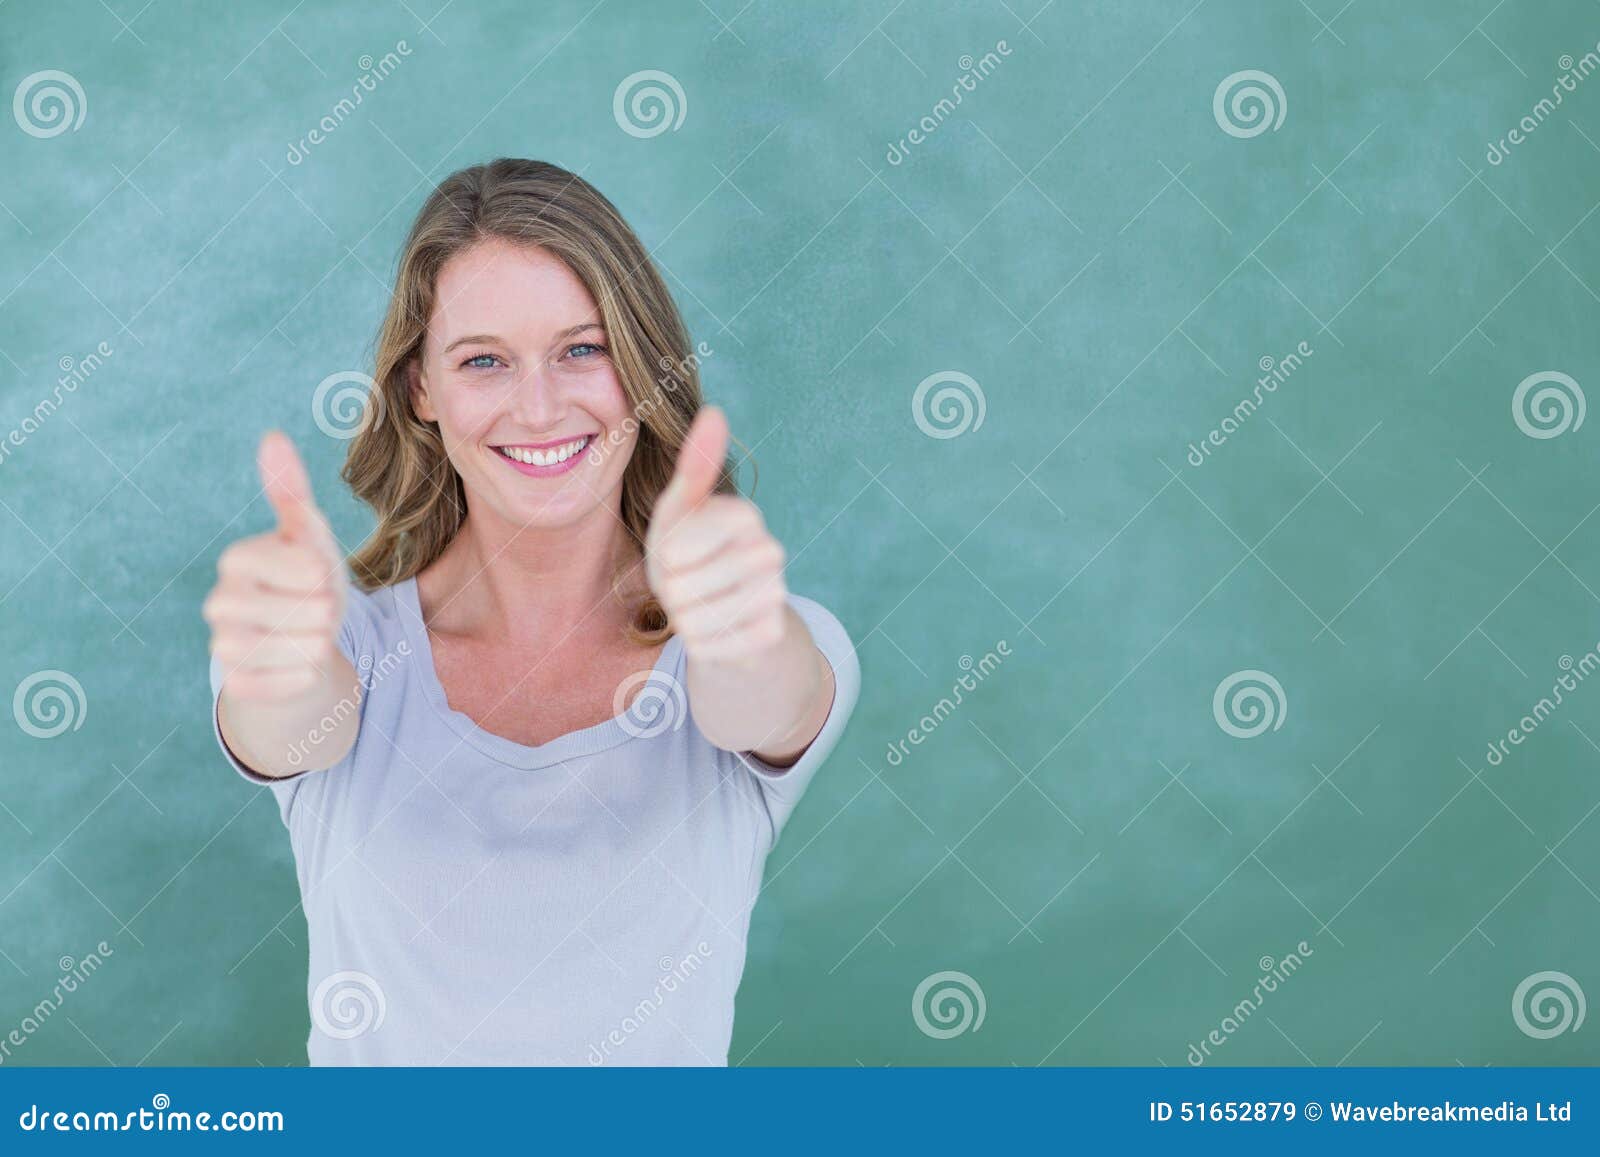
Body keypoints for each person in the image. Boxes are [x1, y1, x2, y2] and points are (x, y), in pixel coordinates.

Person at [202, 158, 860, 1065]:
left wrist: (738, 630)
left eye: (582, 349)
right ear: (419, 391)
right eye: (483, 361)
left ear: (640, 365)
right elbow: (288, 722)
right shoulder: (343, 645)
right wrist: (277, 662)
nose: (541, 405)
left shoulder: (761, 638)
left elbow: (764, 693)